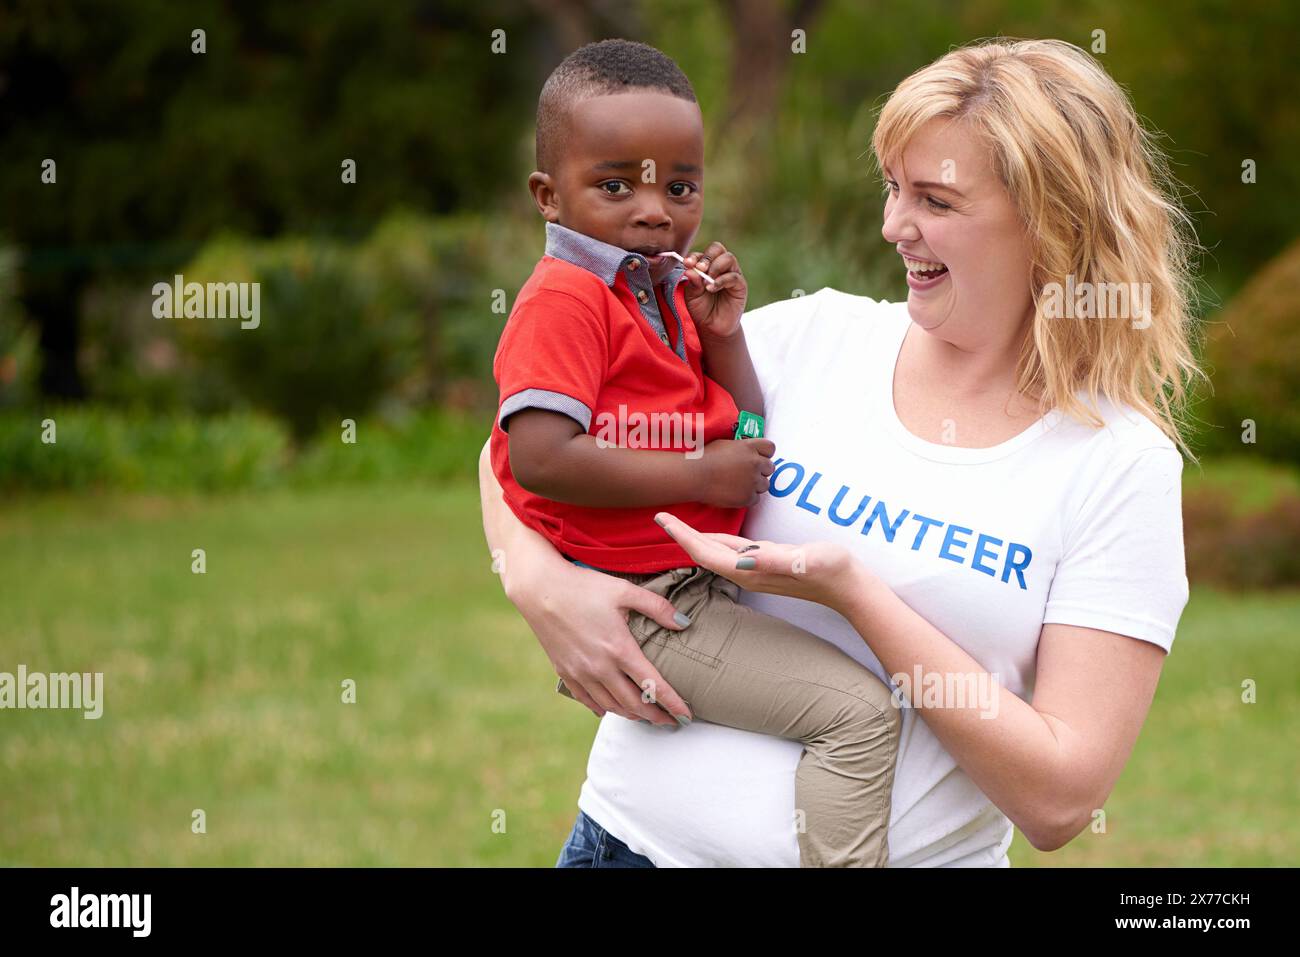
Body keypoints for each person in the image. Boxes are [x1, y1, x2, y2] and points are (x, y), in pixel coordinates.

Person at [480, 37, 1201, 867]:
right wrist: (539, 583)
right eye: (894, 188)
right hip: (626, 846)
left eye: (934, 198)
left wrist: (856, 594)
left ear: (1051, 222)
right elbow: (518, 449)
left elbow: (1061, 798)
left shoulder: (1119, 465)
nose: (894, 225)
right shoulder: (808, 338)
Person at [491, 38, 901, 867]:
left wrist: (724, 341)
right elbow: (537, 453)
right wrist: (697, 474)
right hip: (658, 597)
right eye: (616, 186)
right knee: (860, 714)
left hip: (695, 576)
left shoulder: (660, 289)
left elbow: (746, 436)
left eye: (679, 186)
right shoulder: (567, 299)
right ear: (548, 195)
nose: (654, 210)